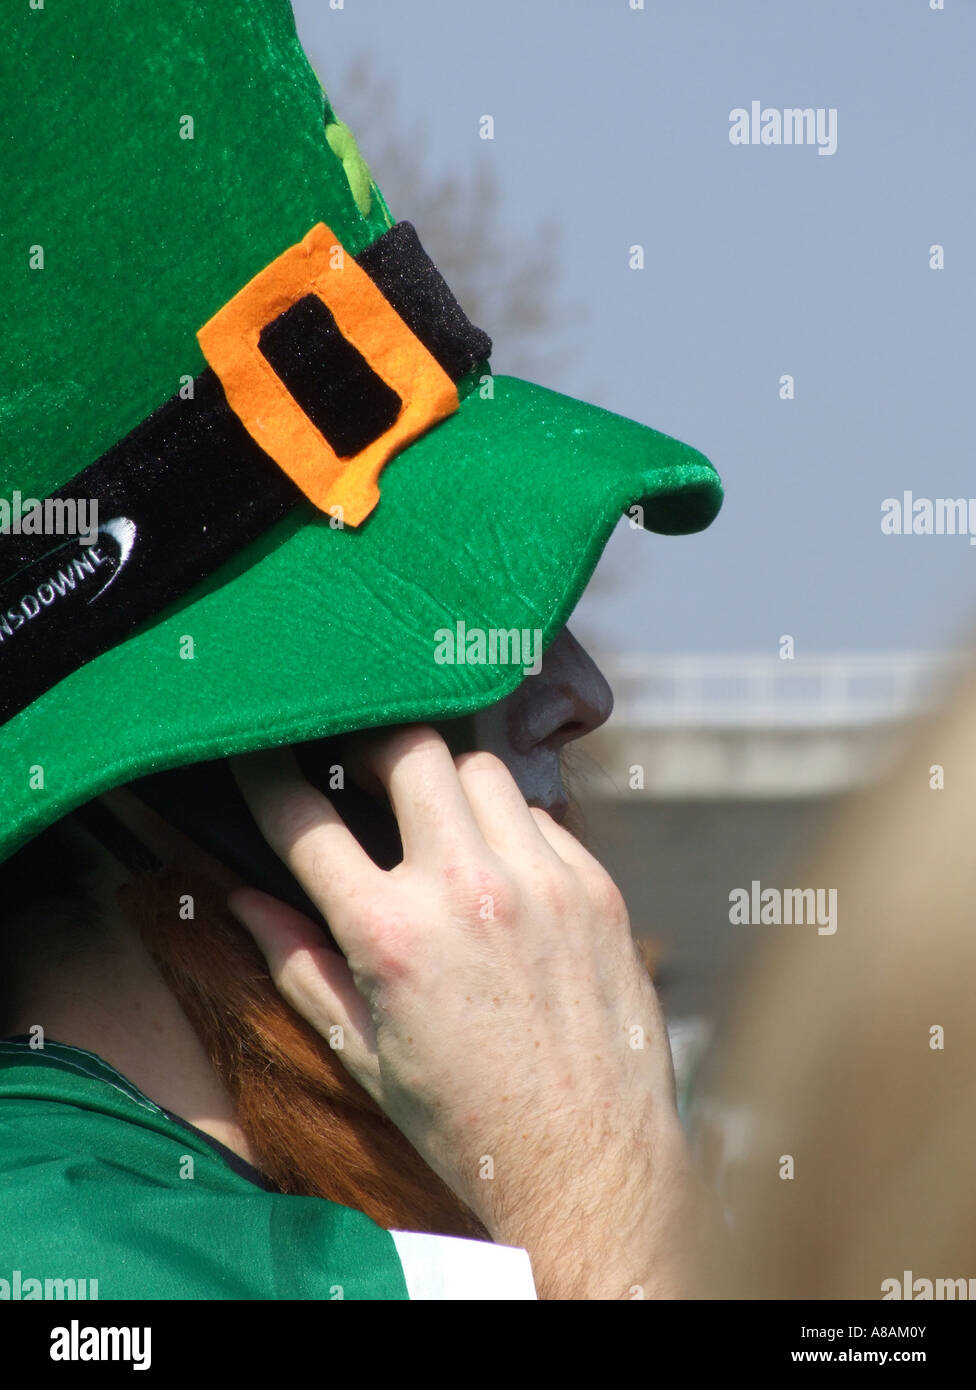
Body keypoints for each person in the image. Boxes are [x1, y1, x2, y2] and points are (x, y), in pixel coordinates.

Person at [0, 0, 723, 1300]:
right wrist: (617, 1229)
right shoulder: (79, 1270)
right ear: (179, 753)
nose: (579, 690)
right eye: (395, 629)